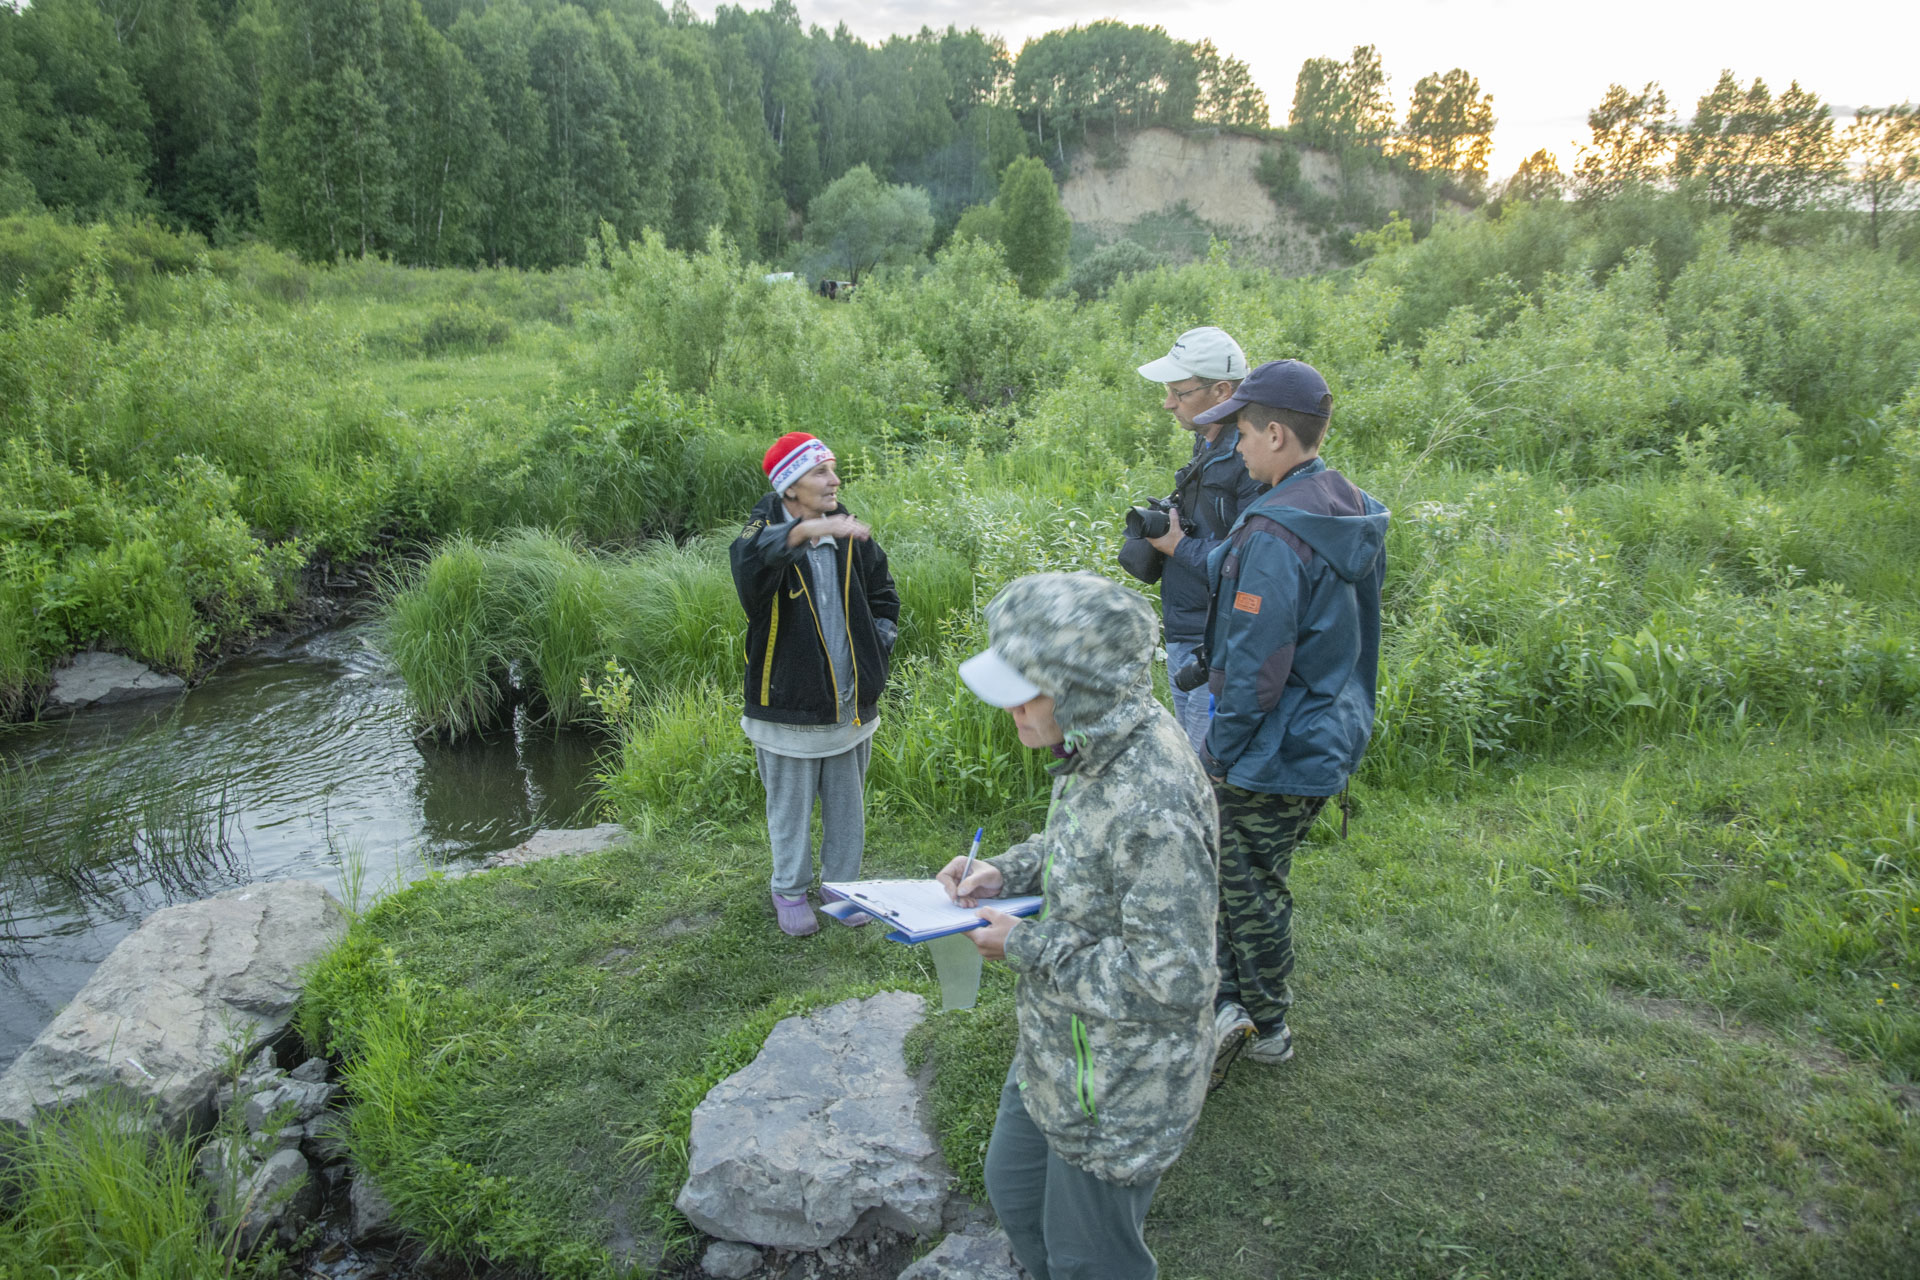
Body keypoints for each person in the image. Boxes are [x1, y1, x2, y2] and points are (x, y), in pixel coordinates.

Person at [938, 572, 1218, 1280]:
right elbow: (1075, 845)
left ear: (1079, 687)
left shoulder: (1156, 802)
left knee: (1090, 1257)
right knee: (1015, 1188)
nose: (1011, 712)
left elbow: (1173, 981)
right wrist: (1005, 871)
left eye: (1023, 692)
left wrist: (1024, 944)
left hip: (1120, 1081)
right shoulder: (1094, 745)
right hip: (1060, 1045)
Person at [1189, 359, 1388, 1077]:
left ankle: (1265, 1024)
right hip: (1327, 726)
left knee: (1242, 884)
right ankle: (1231, 1007)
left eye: (1242, 432)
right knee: (1247, 873)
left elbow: (1255, 668)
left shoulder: (1276, 532)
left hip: (1274, 746)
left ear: (1276, 434)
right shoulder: (1346, 502)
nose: (1236, 447)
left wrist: (1218, 750)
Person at [729, 432, 900, 937]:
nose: (835, 480)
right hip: (787, 705)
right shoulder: (759, 534)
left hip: (851, 701)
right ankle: (789, 888)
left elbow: (883, 592)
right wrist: (802, 534)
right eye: (821, 472)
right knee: (791, 806)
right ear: (790, 488)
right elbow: (752, 571)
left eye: (833, 469)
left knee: (848, 803)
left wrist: (880, 640)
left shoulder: (846, 530)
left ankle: (842, 888)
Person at [1128, 326, 1268, 754]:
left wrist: (1177, 546)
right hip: (1186, 628)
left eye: (1179, 392)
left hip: (1217, 641)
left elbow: (1254, 560)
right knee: (1191, 754)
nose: (1168, 403)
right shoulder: (1208, 442)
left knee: (1206, 770)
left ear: (1222, 390)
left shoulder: (1253, 460)